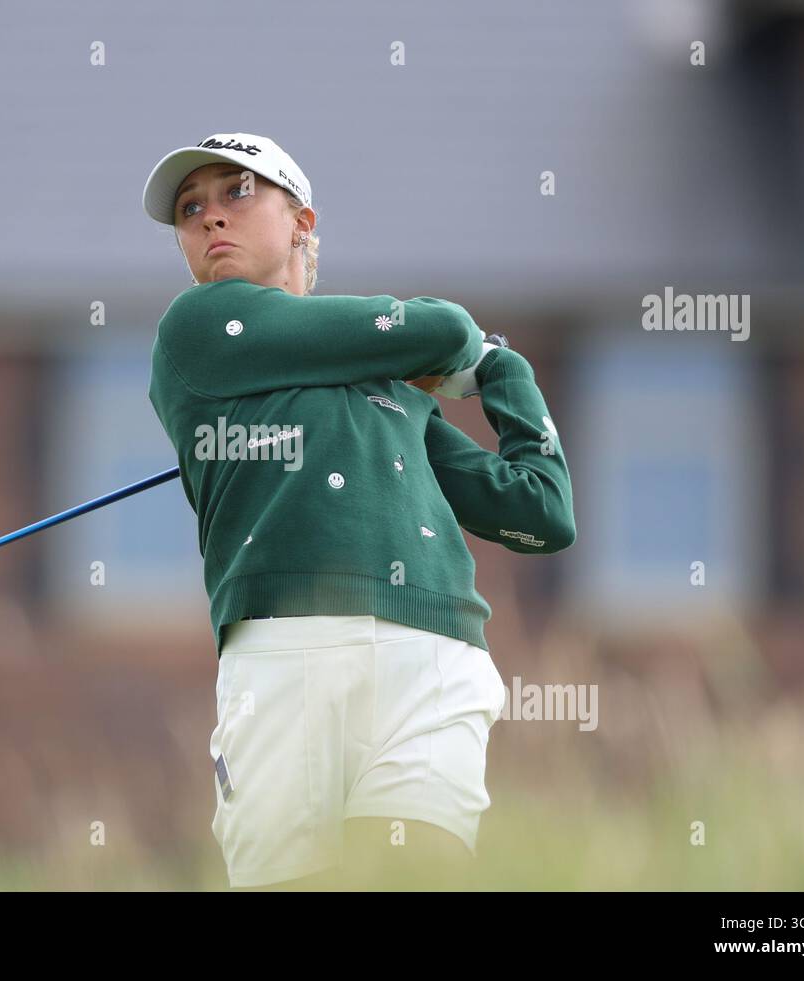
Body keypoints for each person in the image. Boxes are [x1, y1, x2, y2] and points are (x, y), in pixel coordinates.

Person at [142, 133, 576, 890]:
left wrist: (506, 371)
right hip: (287, 654)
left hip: (433, 657)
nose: (210, 217)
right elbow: (439, 329)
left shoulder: (397, 391)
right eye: (190, 208)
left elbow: (539, 510)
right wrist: (462, 357)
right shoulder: (200, 329)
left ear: (302, 222)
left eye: (237, 192)